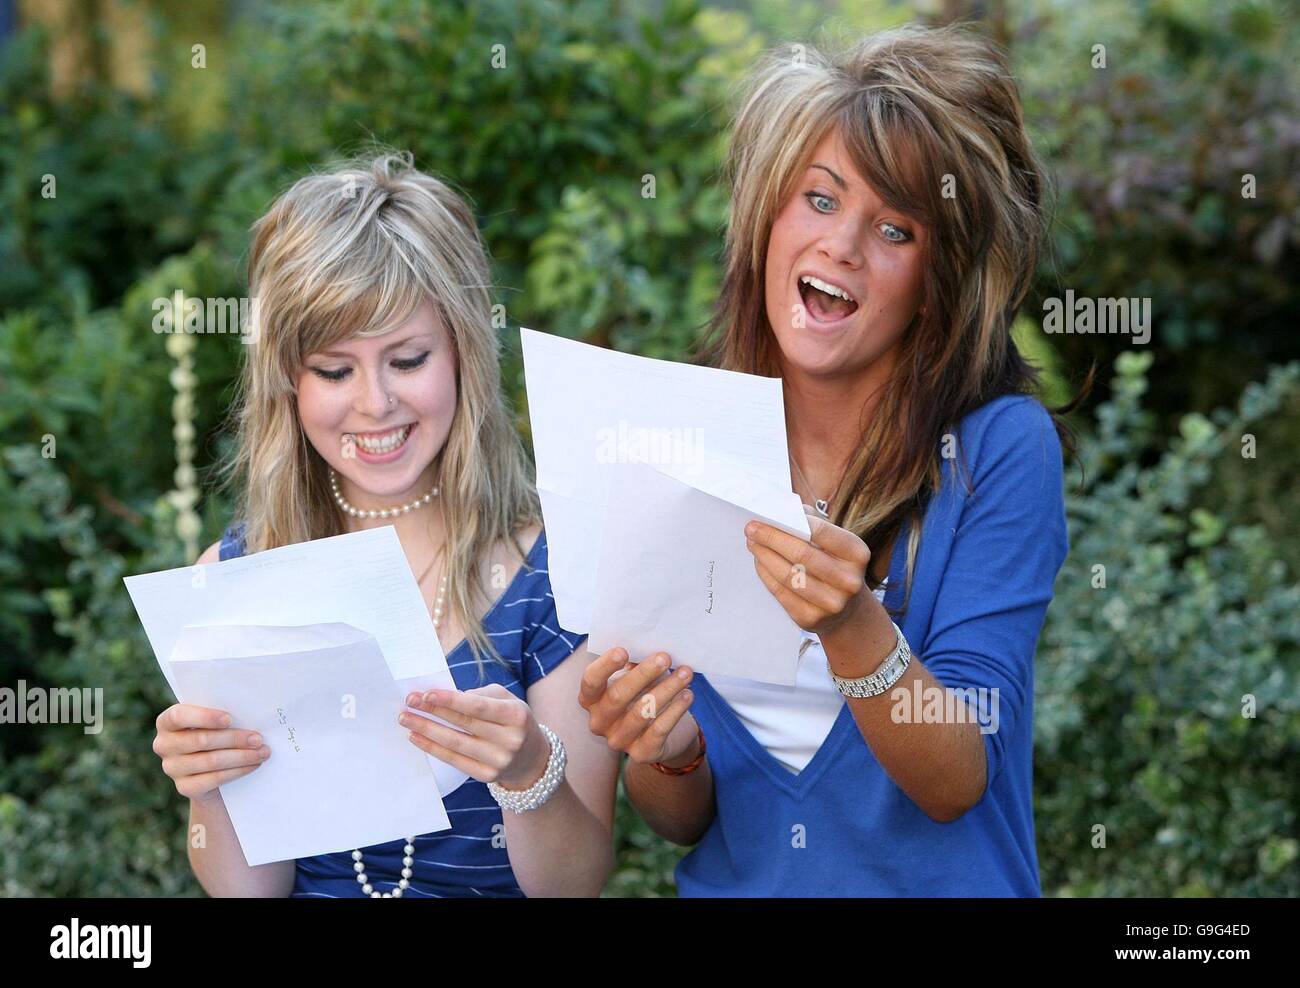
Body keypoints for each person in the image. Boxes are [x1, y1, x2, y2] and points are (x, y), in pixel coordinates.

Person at [579, 24, 1083, 896]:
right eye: (819, 199)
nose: (842, 245)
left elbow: (957, 778)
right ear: (767, 219)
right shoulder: (689, 442)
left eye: (894, 229)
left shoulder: (998, 450)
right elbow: (686, 819)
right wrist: (667, 750)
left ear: (936, 283)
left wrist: (852, 626)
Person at [150, 151, 620, 898]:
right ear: (287, 382)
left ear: (464, 352)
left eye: (407, 359)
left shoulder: (555, 576)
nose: (375, 403)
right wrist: (211, 786)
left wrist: (529, 771)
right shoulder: (234, 579)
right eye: (335, 371)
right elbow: (247, 892)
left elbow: (575, 886)